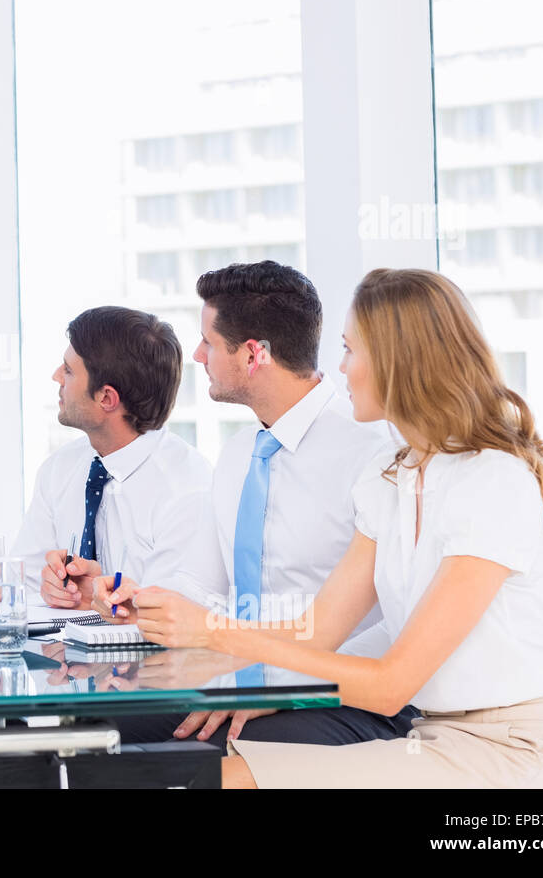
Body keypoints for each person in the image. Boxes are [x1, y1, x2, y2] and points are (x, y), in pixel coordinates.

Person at [97, 269, 543, 788]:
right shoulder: (391, 480)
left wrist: (215, 632)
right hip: (435, 734)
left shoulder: (491, 480)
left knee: (228, 781)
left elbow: (390, 687)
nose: (340, 368)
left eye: (351, 351)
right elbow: (316, 632)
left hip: (516, 749)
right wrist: (273, 687)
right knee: (216, 774)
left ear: (399, 362)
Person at [116, 261, 417, 747]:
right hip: (238, 684)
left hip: (342, 697)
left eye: (208, 343)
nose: (196, 355)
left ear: (254, 354)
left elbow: (394, 629)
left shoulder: (375, 455)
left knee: (204, 761)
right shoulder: (239, 454)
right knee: (100, 732)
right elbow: (202, 586)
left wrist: (290, 690)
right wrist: (137, 602)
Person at [0, 306, 225, 609]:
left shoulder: (187, 487)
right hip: (62, 653)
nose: (56, 377)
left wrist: (98, 595)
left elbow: (171, 615)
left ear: (106, 398)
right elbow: (25, 583)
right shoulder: (60, 468)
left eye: (67, 370)